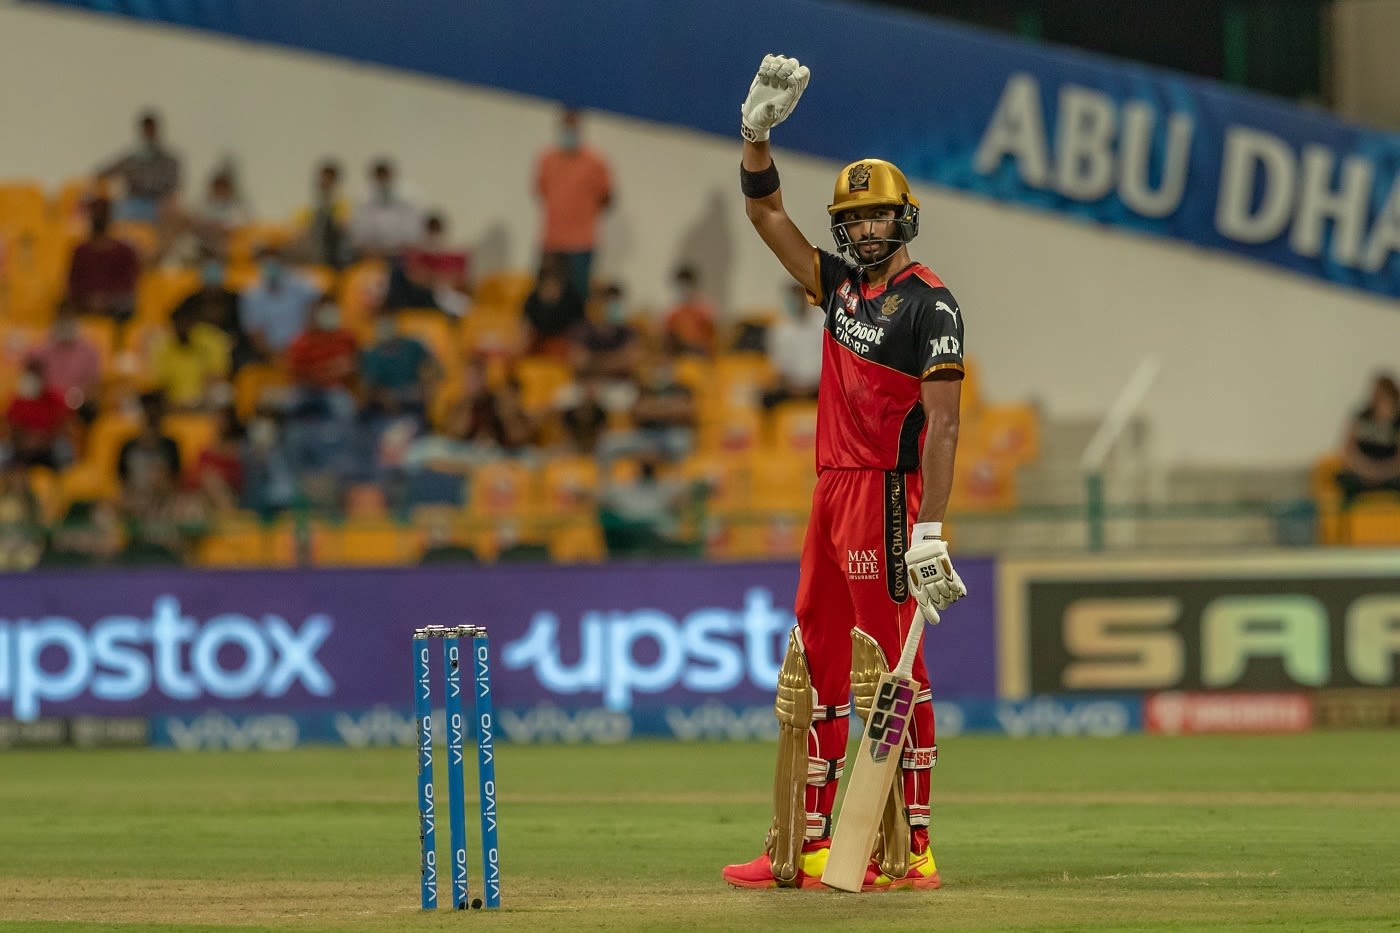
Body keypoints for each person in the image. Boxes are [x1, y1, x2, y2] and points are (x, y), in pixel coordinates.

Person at [721, 54, 967, 893]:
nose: (863, 232)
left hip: (888, 498)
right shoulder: (837, 288)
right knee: (815, 655)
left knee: (893, 667)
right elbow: (767, 216)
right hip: (829, 488)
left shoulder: (932, 304)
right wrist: (756, 138)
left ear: (905, 220)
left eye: (877, 219)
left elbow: (945, 424)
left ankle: (916, 846)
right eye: (852, 220)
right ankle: (809, 842)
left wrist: (930, 527)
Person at [534, 107, 613, 297]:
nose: (568, 132)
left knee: (577, 295)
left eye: (573, 127)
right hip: (552, 239)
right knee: (546, 295)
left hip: (582, 242)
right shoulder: (547, 159)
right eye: (565, 127)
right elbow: (542, 191)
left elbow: (607, 197)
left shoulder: (595, 162)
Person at [1336, 373, 1400, 508]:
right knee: (1345, 483)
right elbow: (1348, 450)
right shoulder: (1362, 417)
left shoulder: (1397, 422)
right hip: (1362, 474)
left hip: (1391, 475)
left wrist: (1381, 473)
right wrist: (1366, 470)